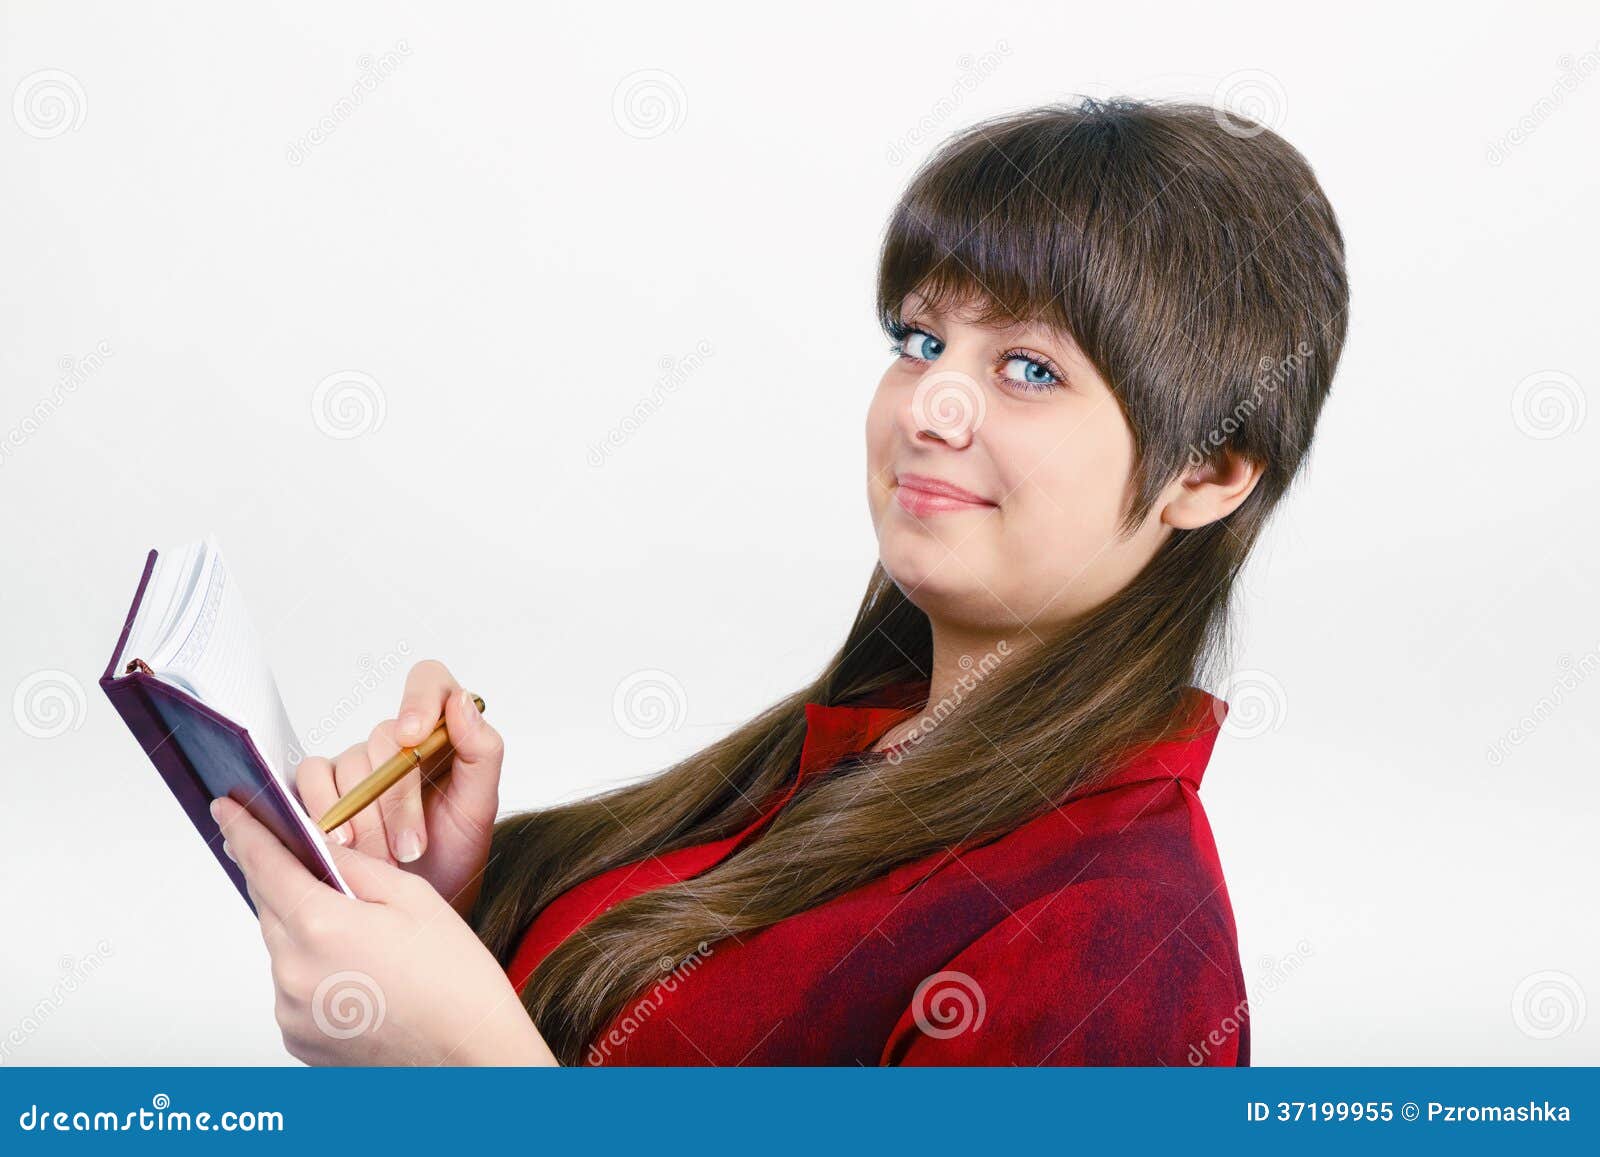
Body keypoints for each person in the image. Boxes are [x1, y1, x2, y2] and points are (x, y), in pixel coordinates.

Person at [213, 95, 1349, 1066]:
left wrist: (470, 1072)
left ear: (1208, 471)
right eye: (920, 341)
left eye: (1028, 366)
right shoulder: (855, 752)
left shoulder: (1120, 938)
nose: (931, 405)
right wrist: (459, 913)